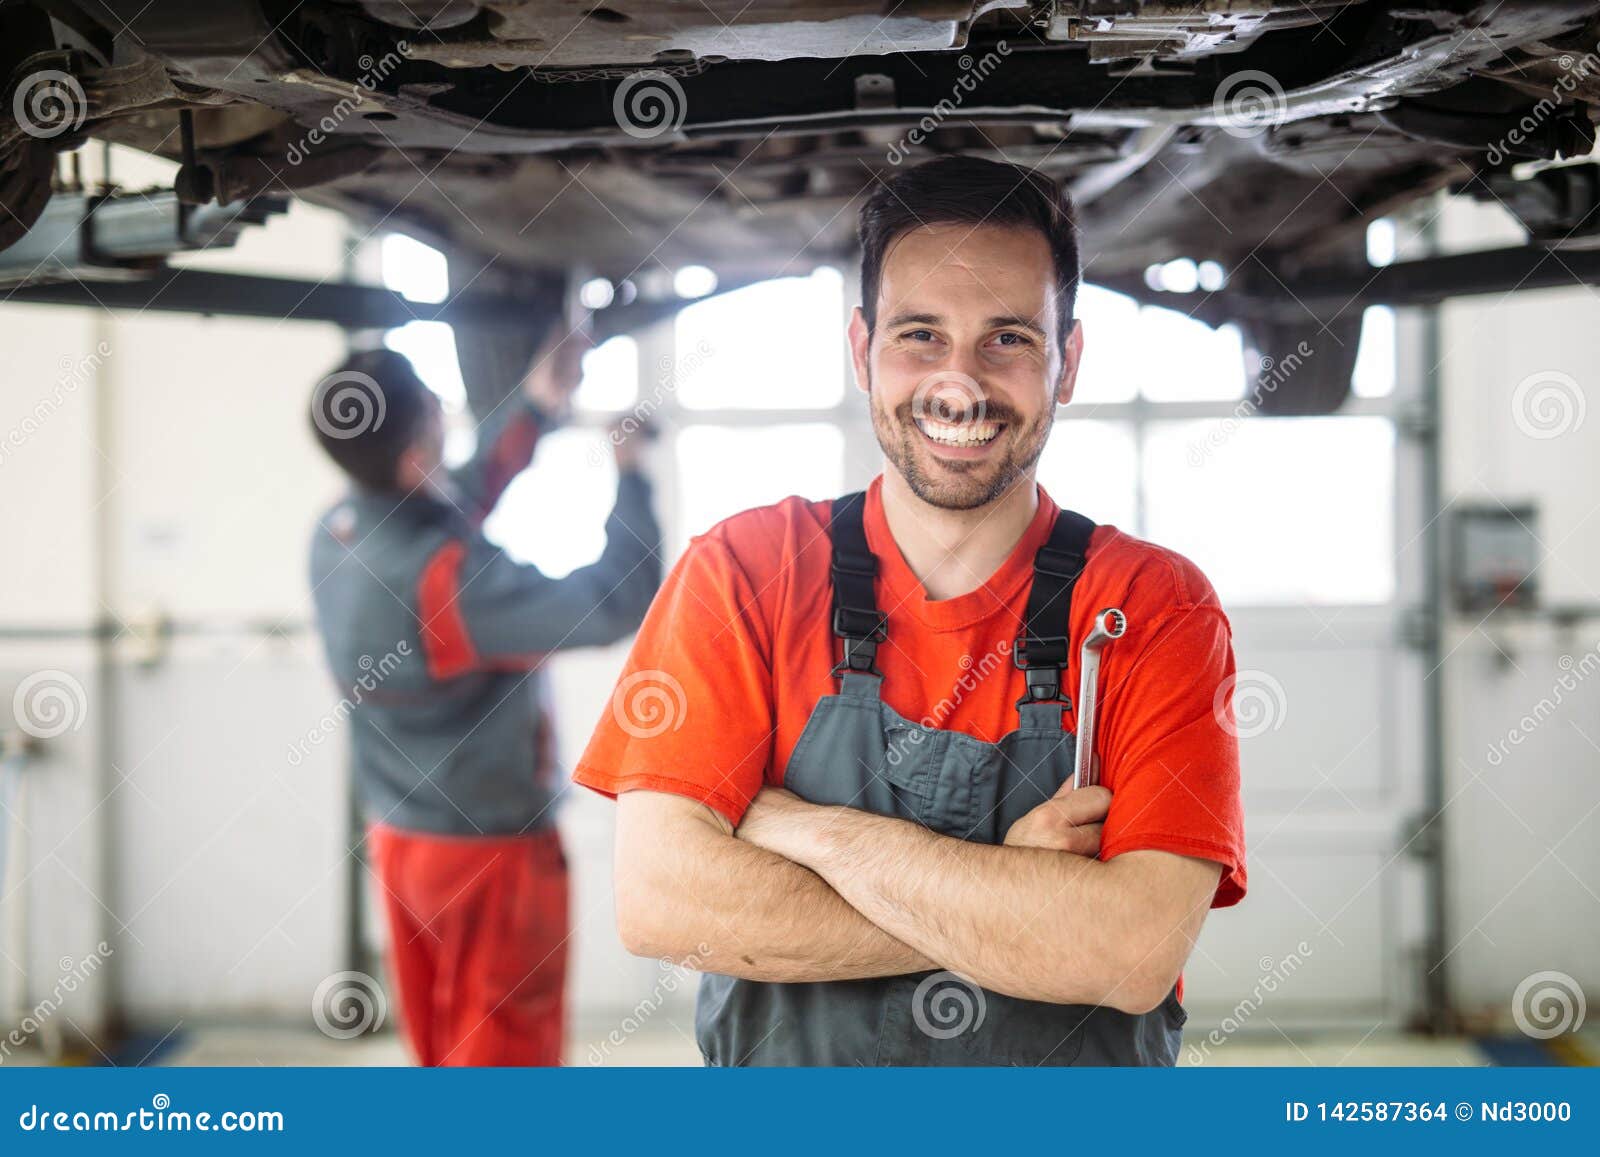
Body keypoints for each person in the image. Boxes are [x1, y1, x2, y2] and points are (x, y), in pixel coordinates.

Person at [574, 155, 1247, 1066]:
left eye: (1008, 338)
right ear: (861, 350)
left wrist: (809, 831)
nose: (959, 384)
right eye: (920, 335)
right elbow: (663, 903)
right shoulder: (744, 572)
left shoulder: (1153, 605)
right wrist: (1018, 903)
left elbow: (1128, 952)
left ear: (1070, 362)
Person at [307, 326, 661, 1066]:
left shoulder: (337, 533)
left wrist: (537, 402)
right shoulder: (449, 582)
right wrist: (630, 471)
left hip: (402, 840)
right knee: (505, 1056)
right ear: (415, 452)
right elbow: (616, 600)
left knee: (443, 1048)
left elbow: (450, 495)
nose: (443, 406)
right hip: (489, 861)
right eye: (432, 406)